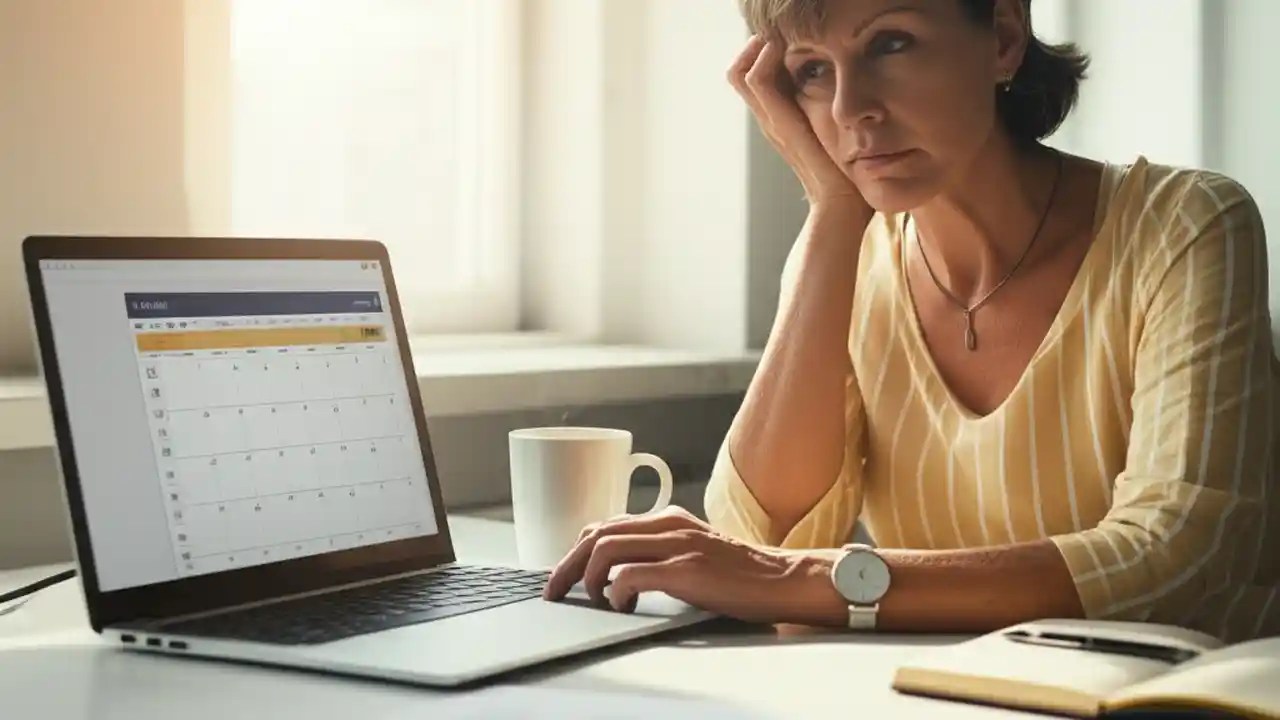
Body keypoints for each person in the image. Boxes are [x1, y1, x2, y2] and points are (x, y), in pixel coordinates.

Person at [544, 0, 1280, 642]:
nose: (849, 109)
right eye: (811, 70)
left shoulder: (1185, 226)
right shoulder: (849, 260)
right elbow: (756, 538)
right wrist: (835, 211)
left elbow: (1173, 558)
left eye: (890, 43)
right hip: (947, 699)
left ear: (1002, 37)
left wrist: (795, 579)